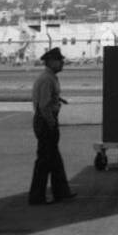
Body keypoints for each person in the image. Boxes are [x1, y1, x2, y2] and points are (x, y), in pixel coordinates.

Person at [28, 47, 76, 205]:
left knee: (54, 160)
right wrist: (51, 123)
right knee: (45, 160)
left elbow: (48, 97)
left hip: (47, 120)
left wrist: (59, 100)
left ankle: (61, 192)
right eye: (59, 60)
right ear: (50, 62)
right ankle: (37, 197)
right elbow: (44, 105)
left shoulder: (51, 78)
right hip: (46, 121)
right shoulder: (47, 79)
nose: (62, 63)